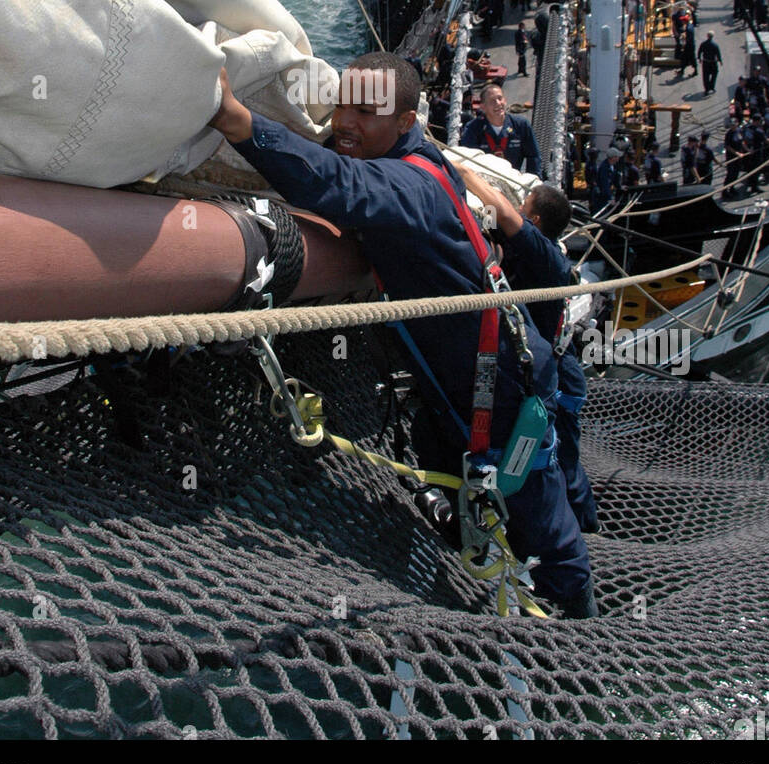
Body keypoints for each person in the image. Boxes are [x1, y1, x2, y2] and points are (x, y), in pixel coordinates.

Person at [208, 54, 595, 617]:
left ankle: (583, 631)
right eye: (342, 104)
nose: (345, 122)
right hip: (470, 378)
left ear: (406, 119)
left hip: (501, 389)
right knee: (474, 472)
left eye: (367, 111)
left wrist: (239, 122)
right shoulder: (417, 159)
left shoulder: (414, 185)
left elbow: (345, 186)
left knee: (543, 517)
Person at [455, 173, 599, 535]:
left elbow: (502, 210)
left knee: (555, 456)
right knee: (559, 455)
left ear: (534, 222)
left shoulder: (542, 252)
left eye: (525, 206)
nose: (519, 208)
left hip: (558, 376)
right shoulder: (540, 252)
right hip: (557, 366)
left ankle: (575, 528)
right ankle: (578, 522)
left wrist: (464, 173)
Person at [460, 80, 543, 176]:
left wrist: (532, 183)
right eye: (492, 101)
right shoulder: (473, 128)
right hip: (484, 180)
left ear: (505, 100)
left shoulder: (521, 125)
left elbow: (534, 156)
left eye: (500, 98)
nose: (498, 103)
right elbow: (467, 160)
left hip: (514, 180)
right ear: (483, 107)